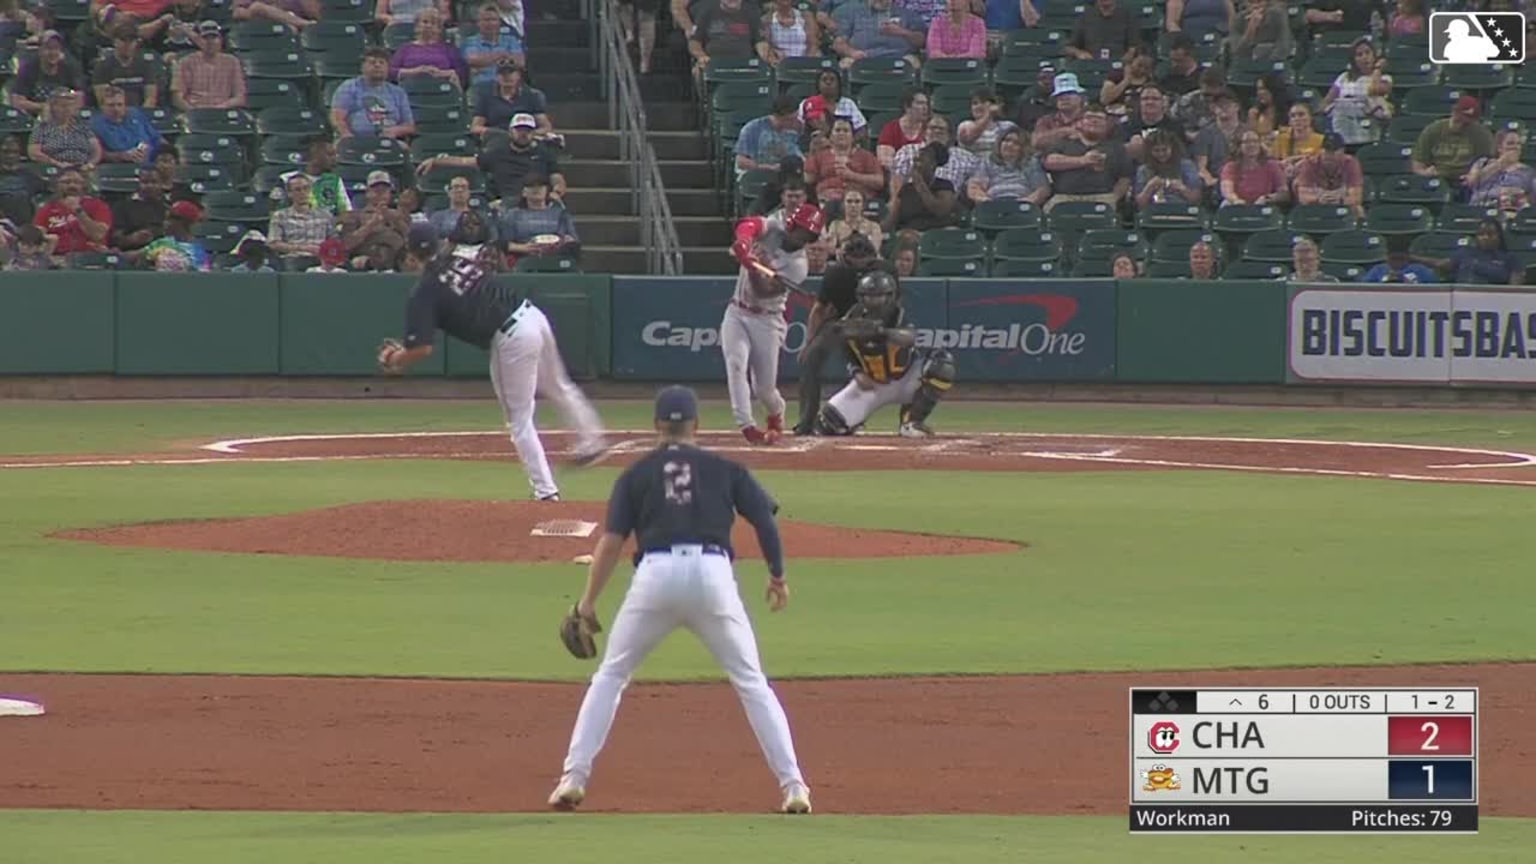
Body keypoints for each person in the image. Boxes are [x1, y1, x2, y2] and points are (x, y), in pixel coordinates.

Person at [545, 384, 810, 816]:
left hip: (656, 577)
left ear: (655, 427)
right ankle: (794, 786)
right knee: (750, 680)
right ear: (697, 426)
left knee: (611, 676)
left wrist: (587, 603)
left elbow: (611, 543)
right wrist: (777, 575)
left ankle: (573, 780)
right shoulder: (727, 468)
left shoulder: (636, 474)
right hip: (712, 578)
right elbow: (764, 520)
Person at [377, 213, 610, 500]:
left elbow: (422, 349)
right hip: (532, 316)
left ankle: (546, 491)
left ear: (410, 254)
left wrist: (395, 360)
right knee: (560, 386)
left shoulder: (424, 291)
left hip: (512, 337)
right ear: (437, 245)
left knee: (520, 421)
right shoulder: (459, 261)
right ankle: (592, 440)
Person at [724, 202, 825, 444]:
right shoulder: (773, 228)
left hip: (767, 321)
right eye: (801, 230)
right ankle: (747, 425)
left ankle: (776, 411)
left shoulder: (798, 265)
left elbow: (765, 291)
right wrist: (744, 245)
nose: (802, 237)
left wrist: (752, 268)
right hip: (737, 311)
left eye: (808, 234)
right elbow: (748, 226)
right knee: (736, 363)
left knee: (764, 390)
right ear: (792, 224)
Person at [811, 269, 955, 438]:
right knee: (827, 425)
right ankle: (854, 422)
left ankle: (912, 421)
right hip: (871, 384)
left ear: (890, 297)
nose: (874, 301)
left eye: (879, 296)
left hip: (906, 378)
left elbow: (909, 338)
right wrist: (856, 371)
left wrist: (882, 332)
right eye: (869, 296)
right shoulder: (852, 317)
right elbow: (844, 344)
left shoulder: (897, 315)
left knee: (942, 364)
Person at [794, 231, 886, 433]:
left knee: (864, 373)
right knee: (810, 360)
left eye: (864, 260)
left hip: (872, 327)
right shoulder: (836, 273)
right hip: (840, 325)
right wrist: (809, 343)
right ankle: (806, 421)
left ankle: (854, 419)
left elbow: (895, 309)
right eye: (855, 260)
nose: (860, 265)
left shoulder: (885, 272)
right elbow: (818, 310)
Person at [330, 48, 418, 140]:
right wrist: (346, 135)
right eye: (372, 62)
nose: (377, 65)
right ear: (362, 67)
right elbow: (337, 118)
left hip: (389, 142)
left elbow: (409, 126)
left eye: (382, 63)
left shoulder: (398, 92)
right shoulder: (349, 87)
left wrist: (395, 131)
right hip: (356, 140)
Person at [1322, 37, 1391, 148]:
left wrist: (1377, 69)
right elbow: (1325, 103)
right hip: (1343, 122)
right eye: (1359, 55)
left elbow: (1373, 90)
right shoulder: (1344, 77)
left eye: (1368, 53)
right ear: (1353, 60)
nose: (1365, 57)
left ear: (1374, 55)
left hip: (1368, 124)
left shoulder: (1384, 78)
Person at [1411, 96, 1494, 186]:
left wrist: (1476, 175)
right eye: (1458, 121)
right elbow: (1418, 164)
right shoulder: (1433, 130)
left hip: (1465, 179)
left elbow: (1489, 163)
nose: (1460, 126)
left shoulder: (1482, 134)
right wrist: (1425, 173)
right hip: (1438, 178)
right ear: (1453, 112)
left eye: (1465, 124)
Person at [1417, 217, 1524, 286]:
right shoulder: (1465, 253)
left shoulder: (1509, 258)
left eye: (1490, 234)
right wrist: (1413, 258)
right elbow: (1441, 264)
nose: (1485, 237)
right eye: (1481, 234)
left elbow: (1515, 289)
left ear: (1499, 236)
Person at [170, 20, 246, 111]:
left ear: (221, 40)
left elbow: (240, 97)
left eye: (214, 37)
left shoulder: (232, 62)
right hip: (194, 111)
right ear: (198, 41)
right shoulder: (186, 62)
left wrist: (220, 108)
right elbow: (177, 98)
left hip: (222, 111)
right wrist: (192, 111)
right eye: (205, 38)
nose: (210, 42)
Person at [805, 116, 883, 203]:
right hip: (827, 201)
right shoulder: (820, 156)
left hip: (857, 201)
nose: (841, 133)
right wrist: (812, 151)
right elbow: (808, 179)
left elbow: (879, 182)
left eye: (846, 131)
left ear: (853, 137)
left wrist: (852, 175)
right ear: (830, 136)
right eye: (837, 130)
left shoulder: (866, 156)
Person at [1465, 129, 1536, 220]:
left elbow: (1532, 200)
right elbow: (1472, 183)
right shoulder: (1482, 163)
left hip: (1510, 212)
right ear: (1499, 147)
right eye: (1510, 143)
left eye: (1518, 144)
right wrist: (1500, 163)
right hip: (1479, 208)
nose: (1515, 147)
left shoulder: (1528, 171)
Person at [390, 8, 467, 88]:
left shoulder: (449, 49)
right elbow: (391, 72)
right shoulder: (405, 49)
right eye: (425, 22)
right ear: (417, 27)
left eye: (433, 23)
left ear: (439, 29)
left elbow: (461, 72)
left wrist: (441, 73)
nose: (428, 25)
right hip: (410, 88)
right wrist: (415, 71)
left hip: (442, 89)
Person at [1294, 132, 1364, 217]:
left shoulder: (1351, 163)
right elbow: (1303, 196)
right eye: (1326, 150)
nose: (1329, 154)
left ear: (1342, 151)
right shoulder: (1310, 163)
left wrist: (1340, 200)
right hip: (1317, 203)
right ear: (1321, 150)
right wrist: (1319, 200)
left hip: (1342, 203)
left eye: (1334, 151)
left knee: (1358, 209)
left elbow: (1356, 197)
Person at [142, 199, 211, 271]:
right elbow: (134, 257)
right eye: (166, 219)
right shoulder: (161, 243)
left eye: (170, 218)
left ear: (183, 222)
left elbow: (202, 275)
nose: (165, 223)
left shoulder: (197, 250)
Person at [796, 70, 867, 138]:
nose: (828, 82)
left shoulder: (848, 104)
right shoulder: (807, 103)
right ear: (818, 84)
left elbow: (861, 129)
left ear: (839, 84)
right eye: (824, 79)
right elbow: (798, 128)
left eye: (832, 79)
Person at [1360, 238, 1437, 283]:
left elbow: (1435, 287)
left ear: (1408, 258)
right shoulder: (1378, 270)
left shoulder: (1420, 270)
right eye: (1393, 259)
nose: (1397, 263)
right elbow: (1363, 287)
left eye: (1401, 259)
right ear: (1387, 258)